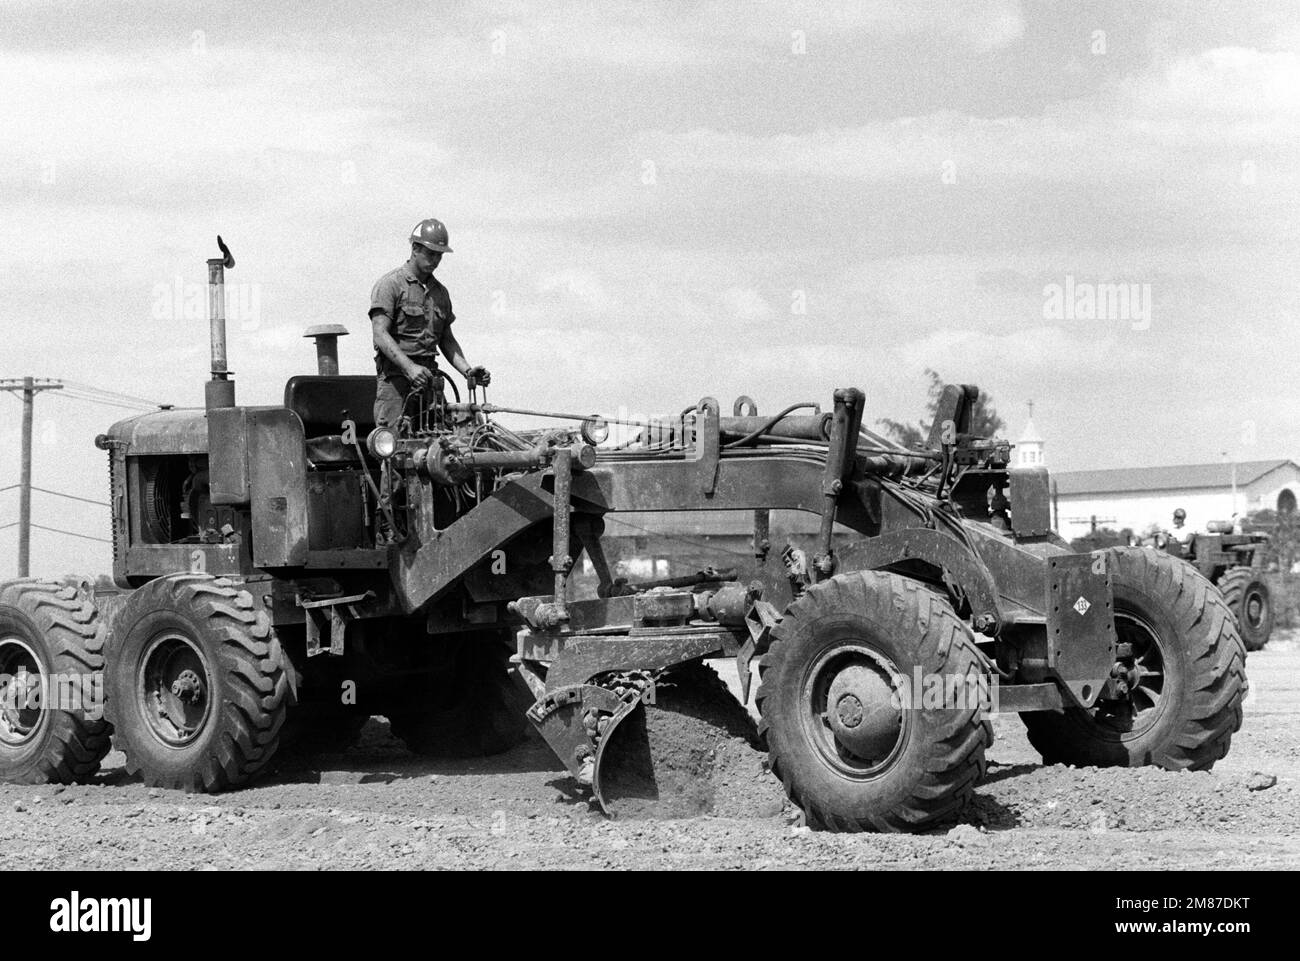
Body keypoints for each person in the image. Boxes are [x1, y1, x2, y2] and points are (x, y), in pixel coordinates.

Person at [369, 218, 490, 429]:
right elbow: (380, 334)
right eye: (431, 253)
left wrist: (468, 371)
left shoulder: (440, 293)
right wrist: (409, 368)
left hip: (430, 381)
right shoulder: (390, 285)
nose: (435, 260)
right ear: (415, 249)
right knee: (392, 446)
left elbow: (446, 339)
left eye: (439, 255)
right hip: (396, 382)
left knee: (446, 442)